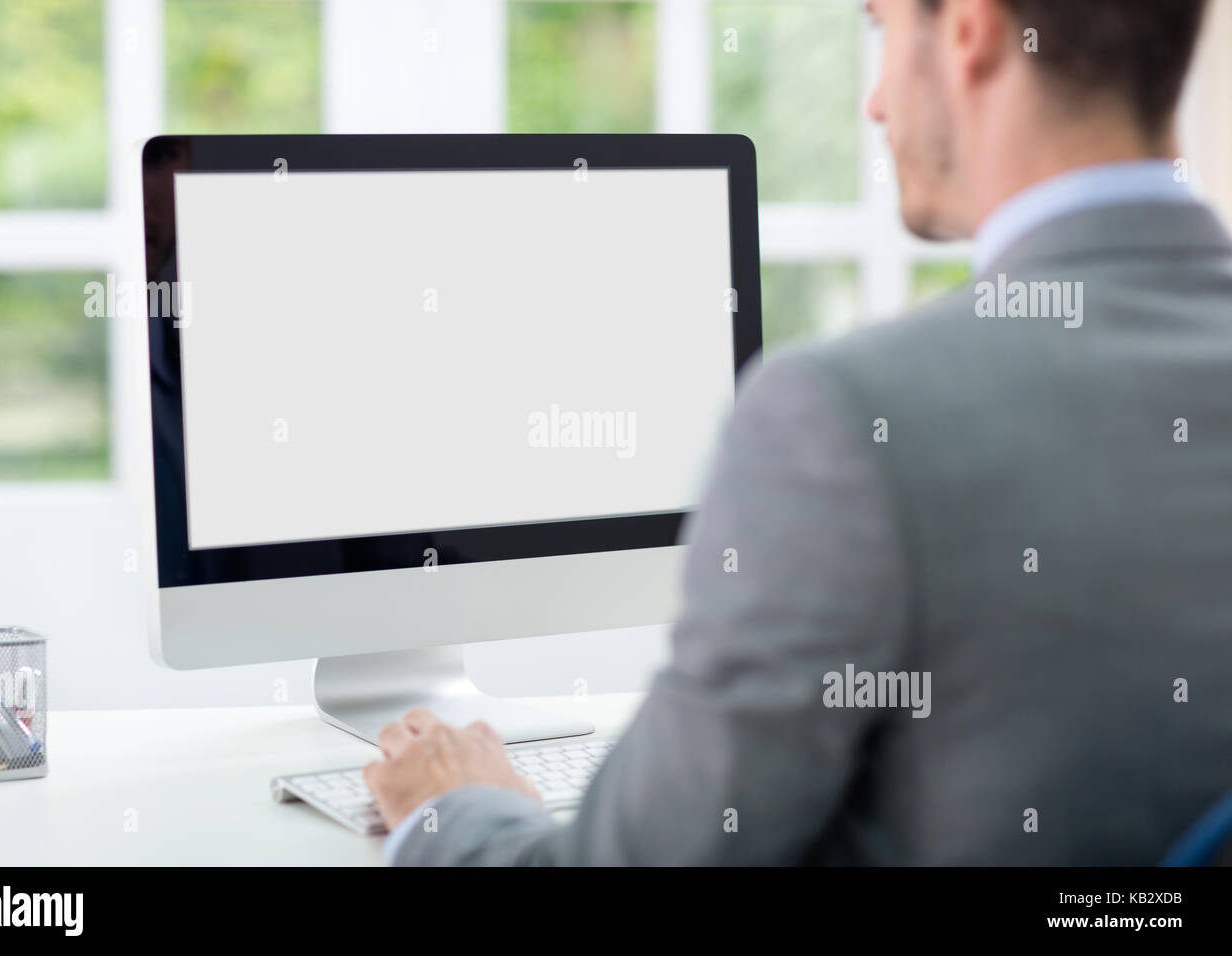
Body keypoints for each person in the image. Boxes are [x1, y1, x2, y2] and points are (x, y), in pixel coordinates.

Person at [366, 0, 1232, 865]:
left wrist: (452, 808)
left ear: (969, 33)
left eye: (883, 31)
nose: (876, 102)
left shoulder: (848, 417)